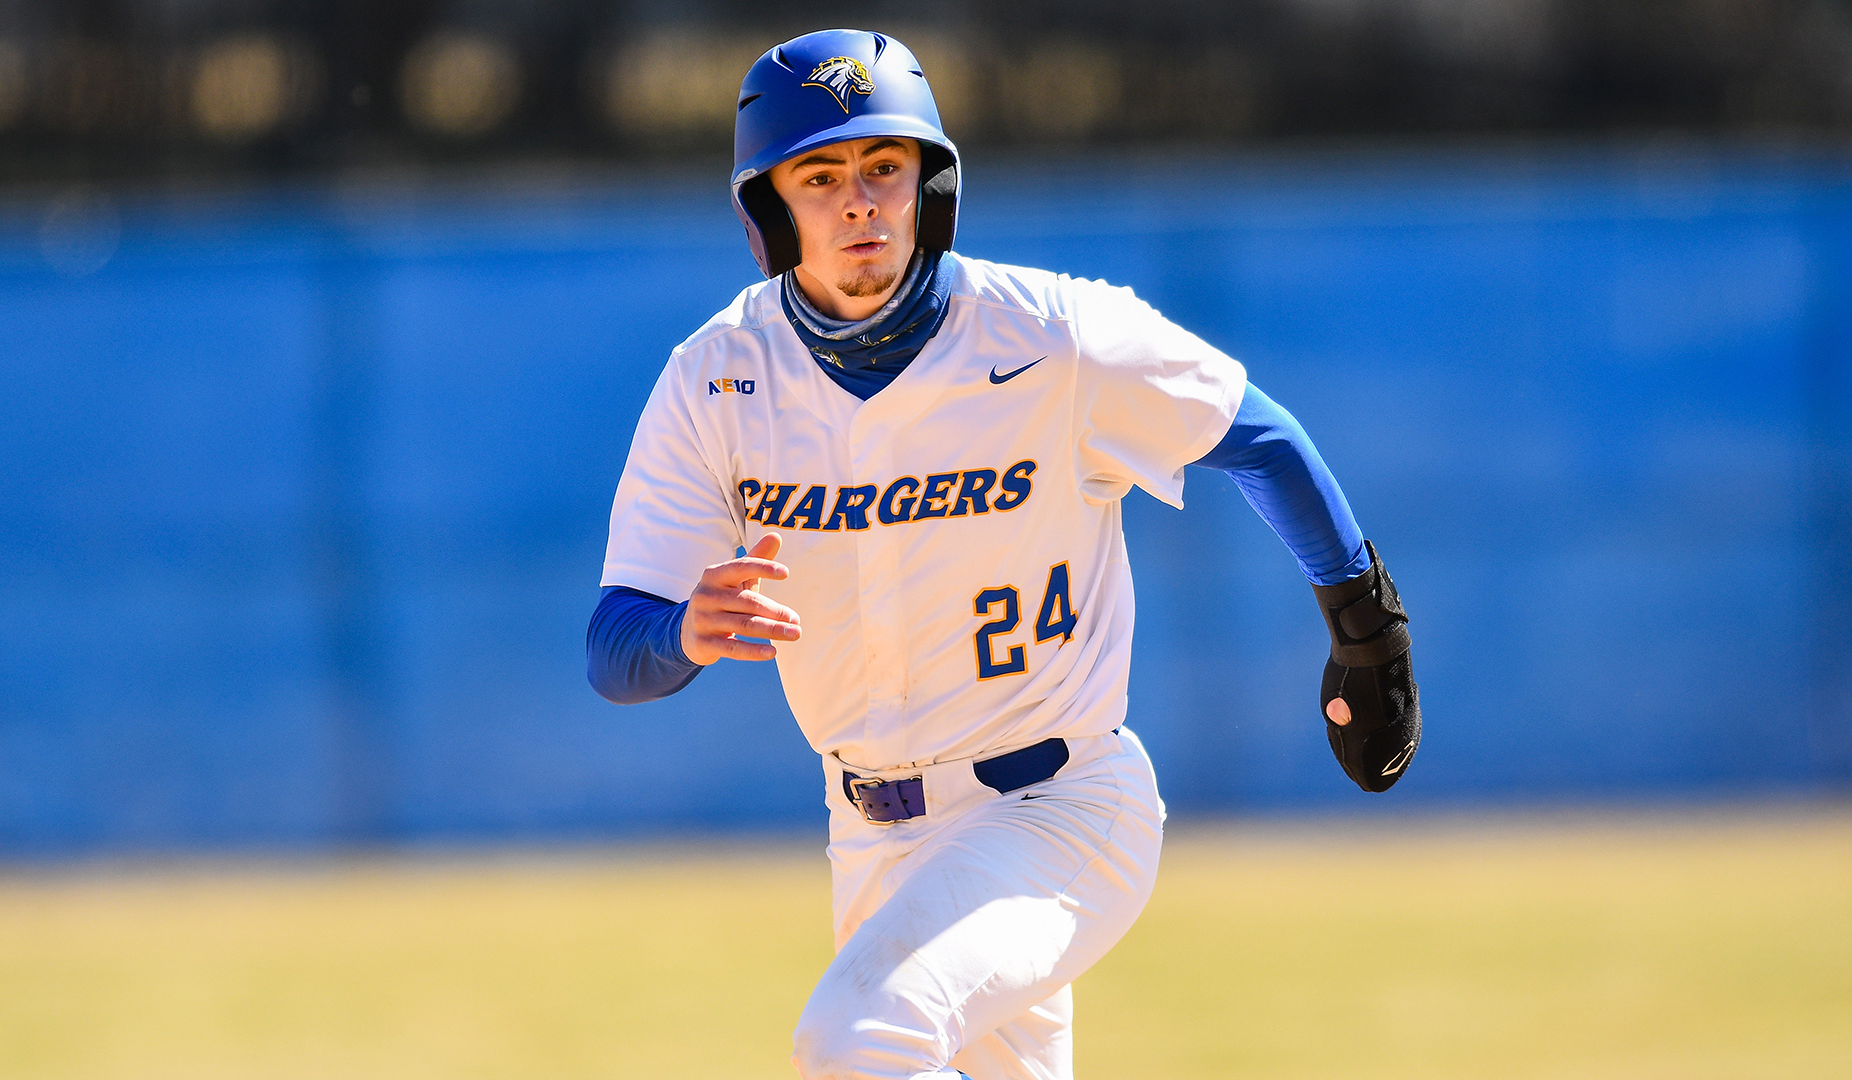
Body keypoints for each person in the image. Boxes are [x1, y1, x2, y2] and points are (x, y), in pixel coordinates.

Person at [587, 28, 1421, 1080]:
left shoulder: (1054, 339)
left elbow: (1260, 440)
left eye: (885, 167)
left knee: (860, 1038)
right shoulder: (715, 380)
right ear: (768, 208)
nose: (859, 202)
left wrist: (1366, 628)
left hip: (1060, 807)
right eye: (821, 174)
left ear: (929, 189)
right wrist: (682, 633)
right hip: (870, 833)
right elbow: (615, 649)